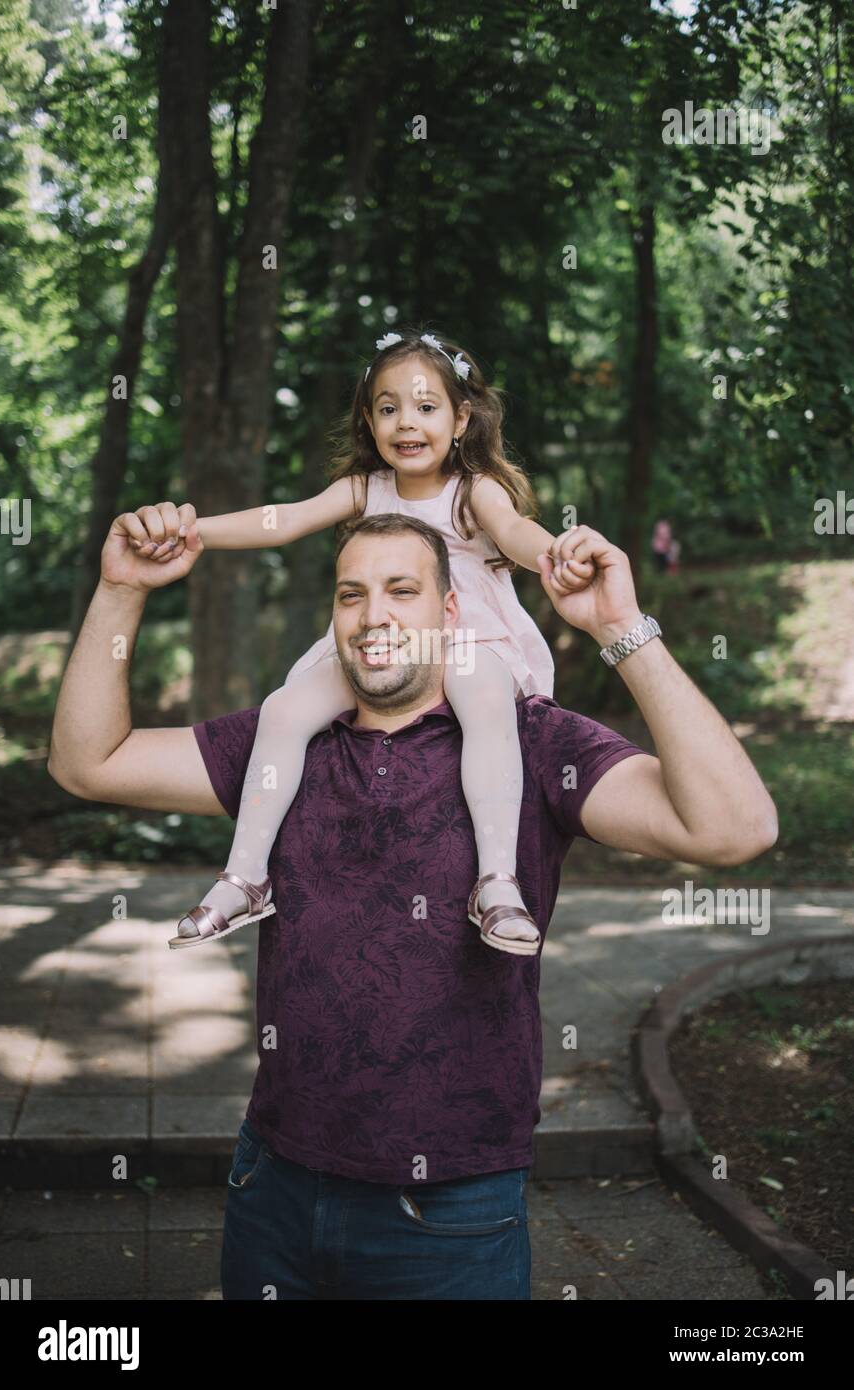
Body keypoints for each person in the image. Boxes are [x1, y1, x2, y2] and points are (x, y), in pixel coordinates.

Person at [47, 505, 779, 1300]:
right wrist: (120, 589)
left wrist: (622, 629)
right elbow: (90, 764)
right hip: (273, 1183)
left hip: (449, 1212)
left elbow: (734, 829)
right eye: (351, 595)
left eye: (402, 589)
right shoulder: (283, 743)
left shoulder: (537, 744)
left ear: (450, 609)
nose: (374, 616)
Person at [128, 331, 594, 957]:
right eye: (388, 406)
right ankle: (245, 876)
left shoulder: (472, 487)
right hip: (377, 641)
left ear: (460, 419)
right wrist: (193, 532)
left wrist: (557, 557)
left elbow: (514, 532)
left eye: (427, 407)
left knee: (482, 697)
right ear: (369, 420)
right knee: (285, 709)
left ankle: (497, 881)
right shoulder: (365, 487)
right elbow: (283, 519)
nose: (407, 422)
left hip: (466, 633)